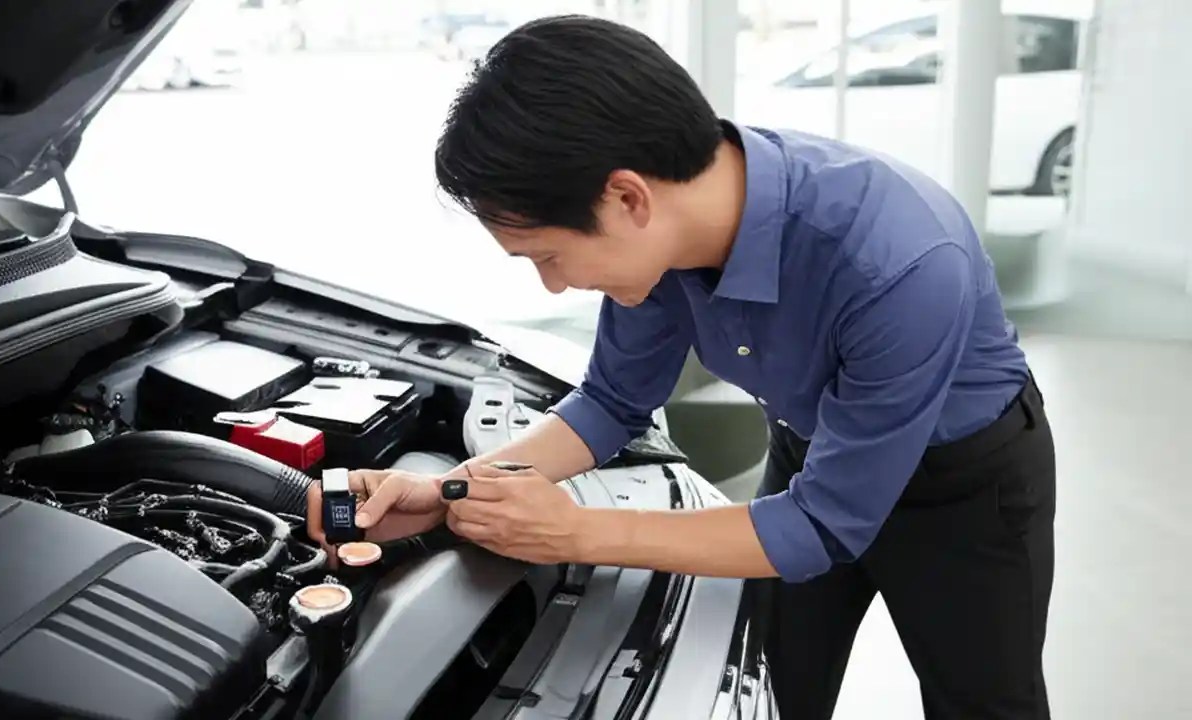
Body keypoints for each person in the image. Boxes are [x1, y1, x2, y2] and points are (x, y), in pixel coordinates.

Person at [307, 14, 1056, 720]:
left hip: (963, 488)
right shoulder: (662, 240)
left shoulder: (900, 262)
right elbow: (608, 404)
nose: (556, 286)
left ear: (627, 195)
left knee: (984, 704)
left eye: (550, 256)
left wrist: (575, 535)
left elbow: (822, 529)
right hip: (810, 451)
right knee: (768, 684)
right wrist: (446, 491)